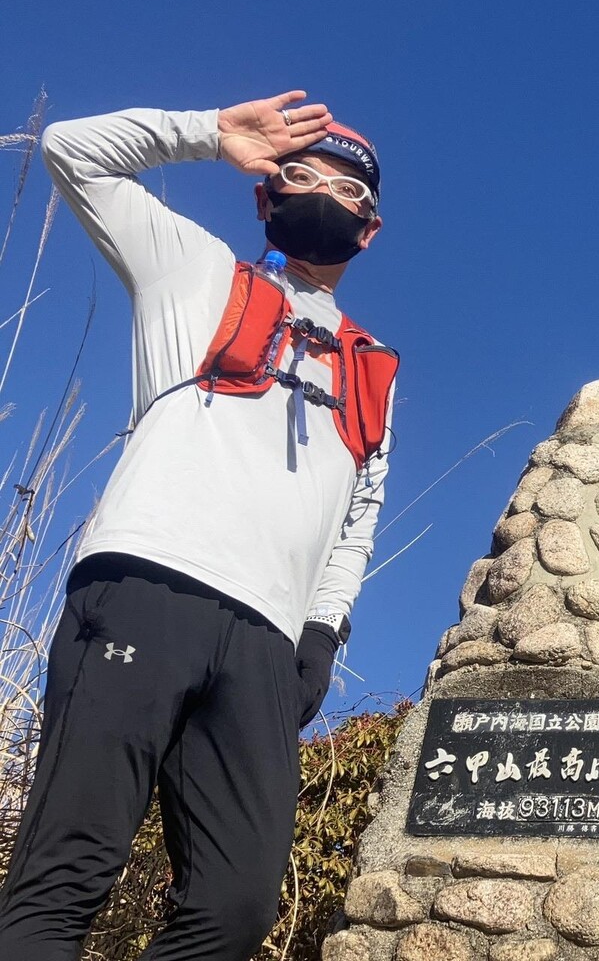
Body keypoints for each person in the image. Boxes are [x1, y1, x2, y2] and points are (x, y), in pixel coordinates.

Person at [0, 91, 398, 961]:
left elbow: (356, 521)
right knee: (67, 871)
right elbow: (71, 148)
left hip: (267, 641)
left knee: (237, 906)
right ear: (265, 194)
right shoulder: (196, 271)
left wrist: (321, 635)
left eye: (347, 189)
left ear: (369, 231)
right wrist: (211, 136)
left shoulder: (376, 372)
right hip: (147, 583)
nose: (323, 192)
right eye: (301, 173)